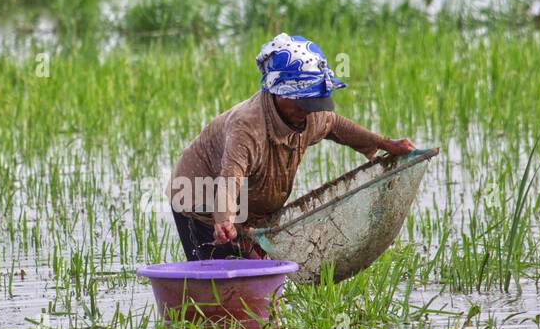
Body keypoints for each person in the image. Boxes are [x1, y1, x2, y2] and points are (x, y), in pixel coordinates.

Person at [168, 33, 416, 260]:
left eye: (316, 101)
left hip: (251, 208)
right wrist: (223, 220)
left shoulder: (310, 114)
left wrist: (383, 143)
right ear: (280, 93)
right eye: (304, 102)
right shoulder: (247, 128)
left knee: (262, 278)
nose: (310, 111)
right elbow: (229, 179)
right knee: (220, 277)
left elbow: (336, 126)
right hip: (199, 197)